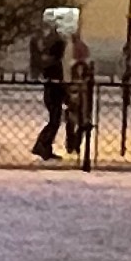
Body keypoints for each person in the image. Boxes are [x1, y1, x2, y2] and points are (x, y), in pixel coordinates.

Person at [30, 24, 68, 160]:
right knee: (54, 121)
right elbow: (56, 79)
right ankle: (42, 145)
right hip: (54, 93)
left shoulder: (50, 62)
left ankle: (44, 146)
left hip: (51, 92)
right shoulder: (54, 64)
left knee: (54, 121)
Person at [64, 30, 94, 159]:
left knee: (78, 123)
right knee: (76, 122)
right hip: (78, 98)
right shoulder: (80, 68)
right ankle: (73, 144)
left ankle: (73, 144)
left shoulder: (77, 68)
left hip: (80, 98)